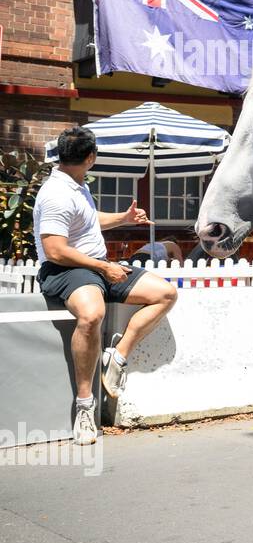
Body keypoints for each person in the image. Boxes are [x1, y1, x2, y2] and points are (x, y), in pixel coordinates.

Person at [33, 127, 178, 445]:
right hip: (65, 270)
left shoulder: (75, 185)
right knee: (91, 314)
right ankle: (85, 407)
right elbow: (56, 250)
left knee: (165, 293)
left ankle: (118, 355)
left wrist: (123, 219)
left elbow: (85, 218)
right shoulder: (57, 194)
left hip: (96, 267)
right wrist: (103, 267)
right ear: (91, 157)